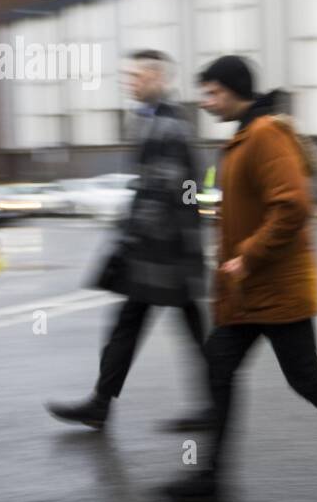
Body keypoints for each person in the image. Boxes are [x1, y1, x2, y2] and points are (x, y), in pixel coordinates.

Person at [162, 55, 317, 502]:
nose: (206, 101)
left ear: (236, 90)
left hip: (274, 288)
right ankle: (211, 478)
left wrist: (247, 256)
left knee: (305, 377)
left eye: (213, 91)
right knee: (221, 365)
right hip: (250, 292)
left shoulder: (264, 136)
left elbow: (292, 205)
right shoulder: (242, 138)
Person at [48, 51, 208, 429]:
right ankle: (102, 403)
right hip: (163, 251)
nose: (129, 82)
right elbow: (174, 186)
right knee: (139, 325)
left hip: (164, 252)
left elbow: (175, 186)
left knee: (159, 328)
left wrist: (139, 235)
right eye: (128, 76)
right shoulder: (150, 121)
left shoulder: (169, 125)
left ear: (157, 77)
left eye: (136, 76)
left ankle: (103, 404)